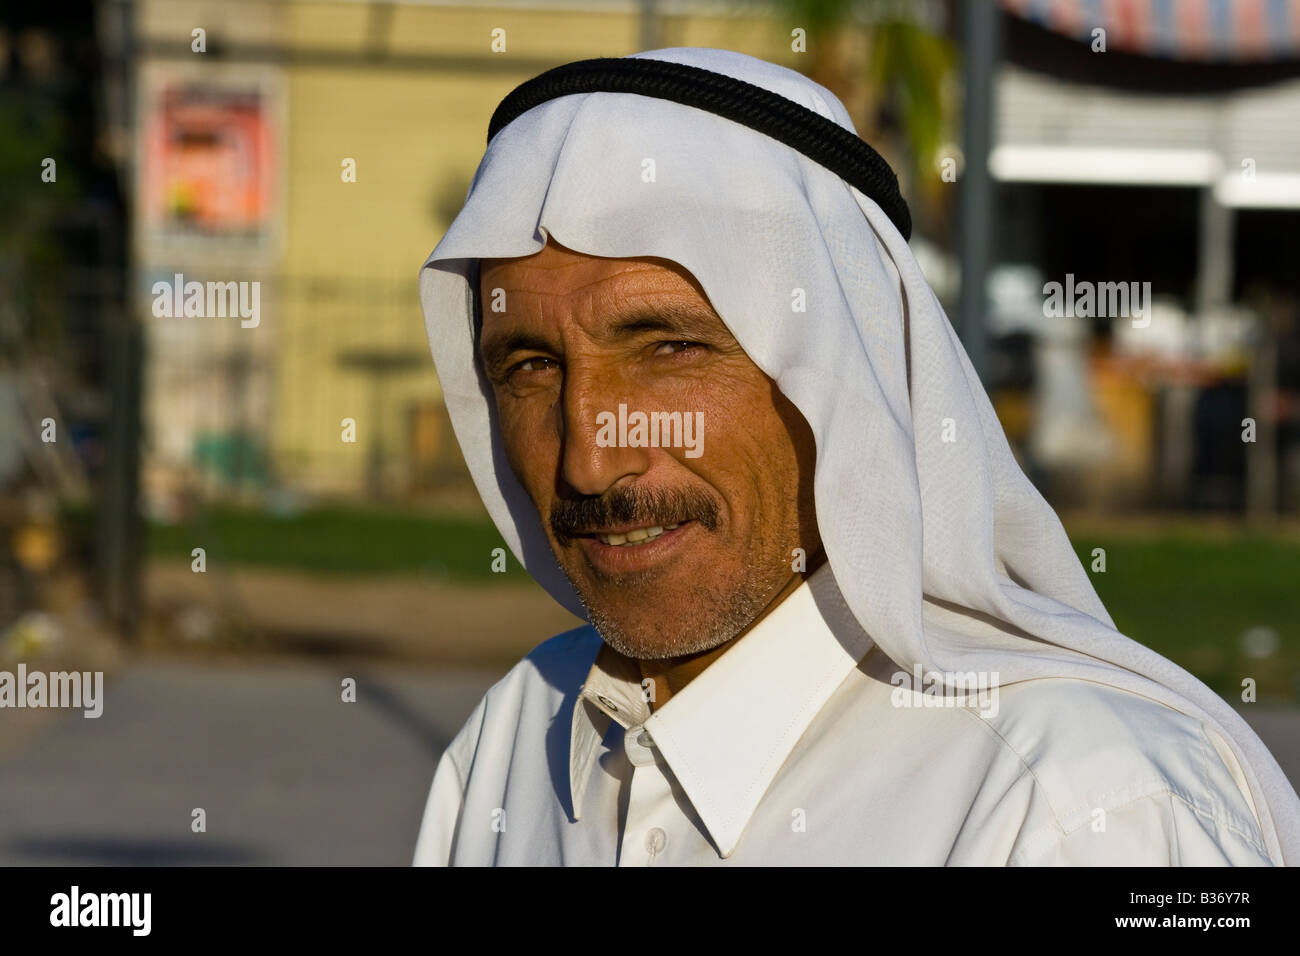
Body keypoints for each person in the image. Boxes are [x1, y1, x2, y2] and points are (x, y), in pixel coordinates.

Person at [411, 47, 1300, 865]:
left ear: (845, 370)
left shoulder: (1087, 810)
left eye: (668, 349)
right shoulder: (514, 740)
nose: (592, 464)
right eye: (530, 367)